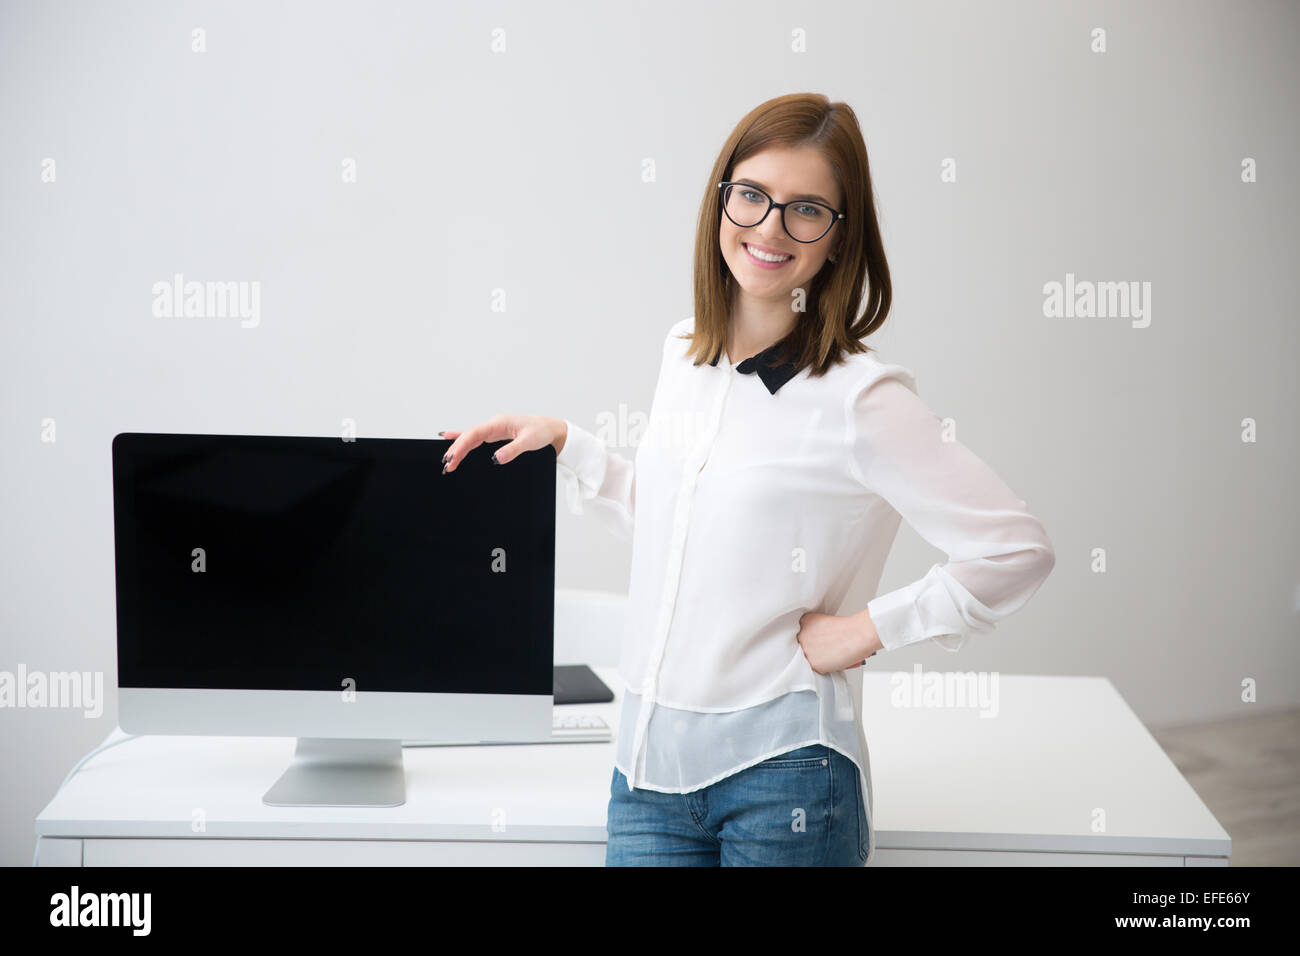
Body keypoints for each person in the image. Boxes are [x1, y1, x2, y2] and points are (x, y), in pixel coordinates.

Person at [439, 92, 1055, 866]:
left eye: (806, 210)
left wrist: (866, 631)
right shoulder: (683, 353)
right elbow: (688, 529)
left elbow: (1017, 550)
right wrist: (569, 445)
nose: (769, 228)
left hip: (785, 778)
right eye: (753, 196)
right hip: (647, 774)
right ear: (722, 198)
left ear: (839, 238)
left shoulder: (862, 397)